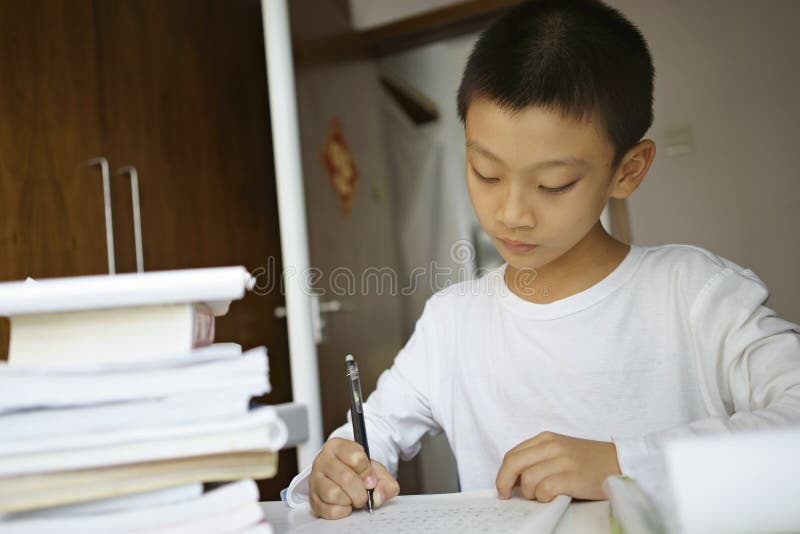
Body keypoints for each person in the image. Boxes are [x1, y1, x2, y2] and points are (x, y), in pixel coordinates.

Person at [285, 0, 800, 519]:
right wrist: (332, 473)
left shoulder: (694, 295)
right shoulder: (453, 322)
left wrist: (621, 461)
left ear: (627, 171)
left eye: (554, 184)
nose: (511, 214)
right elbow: (371, 433)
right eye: (486, 173)